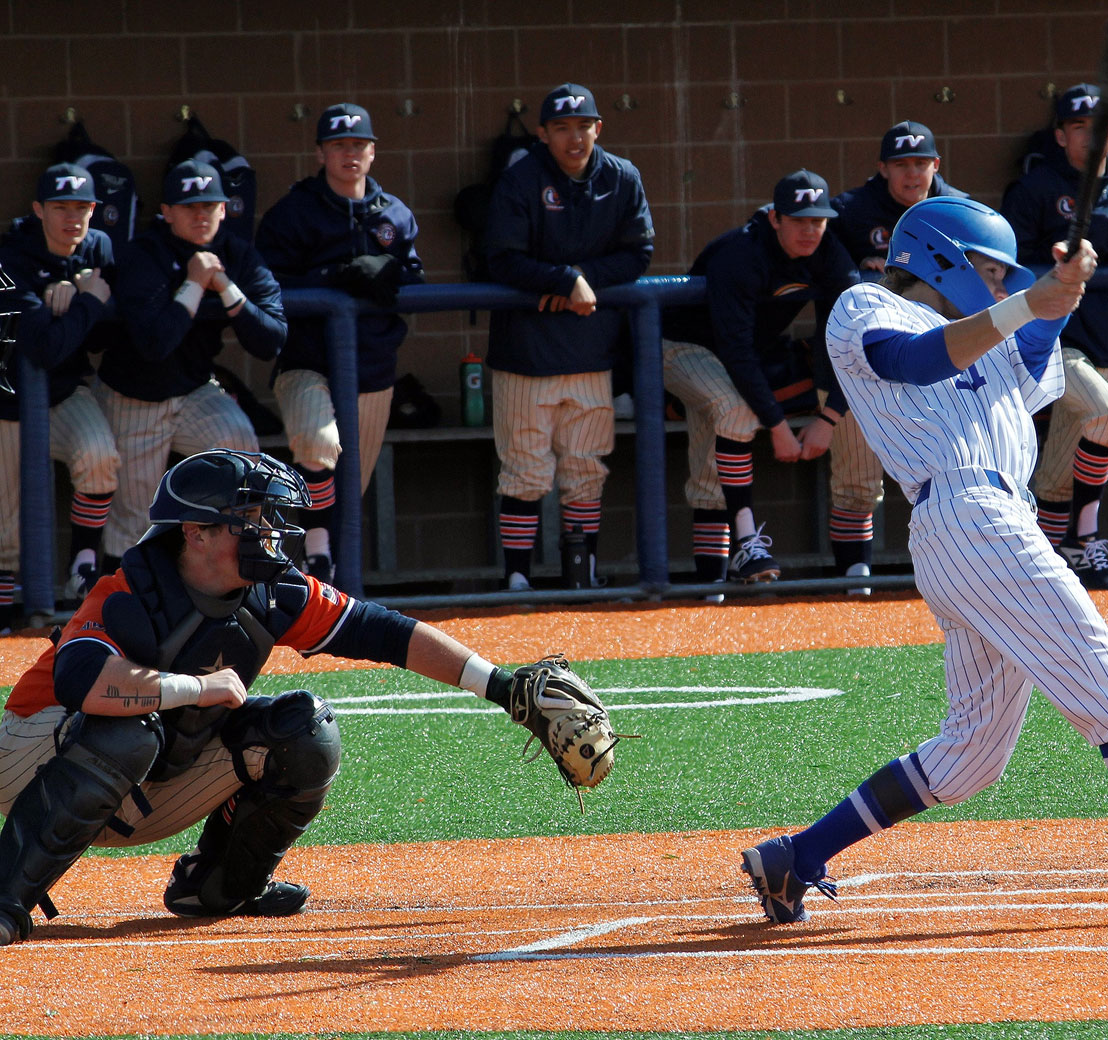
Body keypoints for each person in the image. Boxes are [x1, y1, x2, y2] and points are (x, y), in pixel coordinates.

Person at [739, 196, 1108, 926]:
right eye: (989, 271)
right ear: (942, 258)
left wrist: (1060, 295)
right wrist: (1026, 304)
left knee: (971, 755)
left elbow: (1029, 354)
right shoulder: (866, 306)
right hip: (966, 514)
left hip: (988, 523)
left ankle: (795, 857)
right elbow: (915, 361)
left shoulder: (993, 336)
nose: (998, 285)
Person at [0, 448, 591, 946]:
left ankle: (219, 887)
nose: (268, 531)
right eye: (248, 518)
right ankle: (5, 897)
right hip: (32, 758)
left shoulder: (272, 592)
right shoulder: (129, 591)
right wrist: (195, 688)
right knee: (129, 726)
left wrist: (501, 686)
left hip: (149, 780)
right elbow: (83, 683)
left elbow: (385, 632)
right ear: (196, 532)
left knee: (305, 731)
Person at [481, 83, 654, 591]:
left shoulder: (621, 176)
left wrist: (579, 279)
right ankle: (517, 579)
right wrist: (561, 281)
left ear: (598, 128)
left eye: (583, 127)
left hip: (589, 347)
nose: (574, 138)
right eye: (561, 128)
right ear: (543, 133)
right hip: (525, 352)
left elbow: (639, 252)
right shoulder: (520, 178)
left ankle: (583, 574)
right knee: (525, 471)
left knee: (585, 469)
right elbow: (501, 258)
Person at [661, 170, 865, 590]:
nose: (809, 230)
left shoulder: (828, 251)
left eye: (817, 220)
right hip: (681, 346)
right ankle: (746, 540)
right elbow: (736, 351)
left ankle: (711, 592)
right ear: (775, 218)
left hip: (739, 355)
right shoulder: (740, 253)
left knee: (711, 466)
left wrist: (829, 418)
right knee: (737, 412)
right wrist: (777, 426)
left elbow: (852, 335)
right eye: (798, 220)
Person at [255, 103, 424, 585]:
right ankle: (316, 553)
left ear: (372, 152)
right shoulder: (294, 211)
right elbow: (265, 283)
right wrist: (333, 276)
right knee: (317, 444)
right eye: (338, 145)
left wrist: (391, 272)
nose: (349, 154)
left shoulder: (394, 214)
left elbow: (416, 280)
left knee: (353, 485)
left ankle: (332, 586)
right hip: (307, 360)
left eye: (358, 145)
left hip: (372, 365)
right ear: (320, 153)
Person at [96, 160, 287, 572]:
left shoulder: (236, 254)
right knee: (136, 518)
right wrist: (196, 283)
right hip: (136, 395)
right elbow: (155, 344)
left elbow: (271, 339)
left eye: (209, 205)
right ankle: (116, 598)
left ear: (224, 209)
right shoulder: (143, 254)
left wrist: (226, 288)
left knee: (241, 452)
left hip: (195, 390)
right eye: (189, 207)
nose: (201, 215)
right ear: (167, 212)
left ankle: (249, 568)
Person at [1001, 84, 1108, 590]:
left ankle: (1040, 566)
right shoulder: (1035, 187)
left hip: (1104, 332)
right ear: (1061, 136)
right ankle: (1085, 540)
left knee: (1059, 470)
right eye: (1077, 128)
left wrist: (1101, 254)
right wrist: (1053, 264)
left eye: (1097, 127)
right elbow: (1005, 266)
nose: (1088, 137)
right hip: (1051, 339)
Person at [0, 163, 122, 625]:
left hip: (64, 391)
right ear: (38, 210)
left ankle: (82, 568)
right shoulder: (11, 258)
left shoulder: (98, 246)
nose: (73, 218)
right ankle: (7, 613)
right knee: (6, 522)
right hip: (7, 400)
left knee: (99, 456)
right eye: (60, 208)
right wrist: (87, 301)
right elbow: (44, 346)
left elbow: (114, 324)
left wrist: (76, 294)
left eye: (82, 208)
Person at [831, 120, 968, 272]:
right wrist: (857, 267)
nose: (912, 174)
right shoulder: (848, 212)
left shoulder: (962, 210)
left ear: (935, 165)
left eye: (921, 163)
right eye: (901, 164)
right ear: (884, 169)